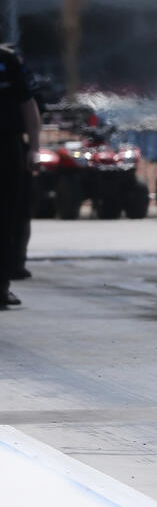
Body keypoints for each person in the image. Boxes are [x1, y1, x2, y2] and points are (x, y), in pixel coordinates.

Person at [0, 43, 41, 309]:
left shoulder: (8, 60)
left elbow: (28, 104)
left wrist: (35, 148)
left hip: (6, 146)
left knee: (6, 220)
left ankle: (1, 287)